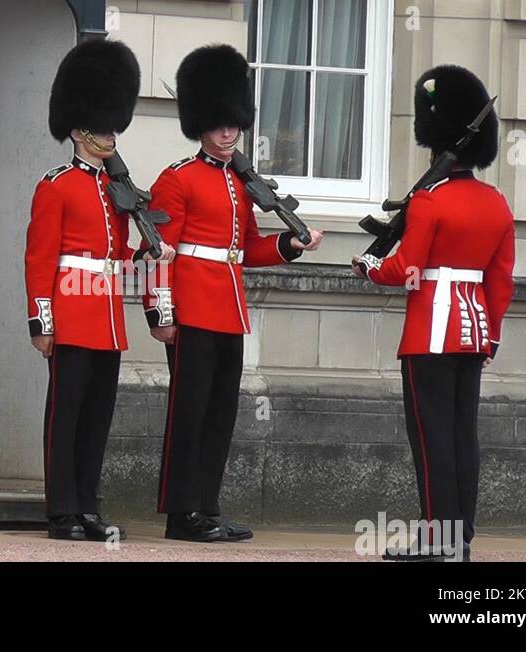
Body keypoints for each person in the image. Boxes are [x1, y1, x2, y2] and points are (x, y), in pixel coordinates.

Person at [144, 44, 323, 542]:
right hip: (192, 311)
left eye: (234, 123)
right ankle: (182, 514)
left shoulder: (241, 184)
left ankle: (207, 505)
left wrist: (291, 243)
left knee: (220, 414)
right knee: (190, 413)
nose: (229, 132)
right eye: (220, 123)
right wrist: (160, 311)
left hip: (229, 311)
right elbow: (160, 250)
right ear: (201, 124)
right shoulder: (175, 179)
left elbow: (245, 251)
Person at [353, 64, 515, 562]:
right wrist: (490, 338)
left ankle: (438, 543)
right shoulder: (496, 203)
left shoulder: (428, 201)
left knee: (430, 442)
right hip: (474, 333)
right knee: (462, 436)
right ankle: (459, 540)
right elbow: (501, 282)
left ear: (433, 144)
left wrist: (369, 265)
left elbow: (406, 268)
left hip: (430, 334)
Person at [25, 39, 174, 541]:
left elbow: (116, 261)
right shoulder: (56, 185)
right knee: (65, 419)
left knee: (96, 422)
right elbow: (41, 259)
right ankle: (60, 509)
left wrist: (146, 259)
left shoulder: (118, 193)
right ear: (77, 129)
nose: (110, 134)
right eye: (101, 126)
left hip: (108, 321)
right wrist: (41, 322)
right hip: (69, 317)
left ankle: (88, 505)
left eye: (113, 125)